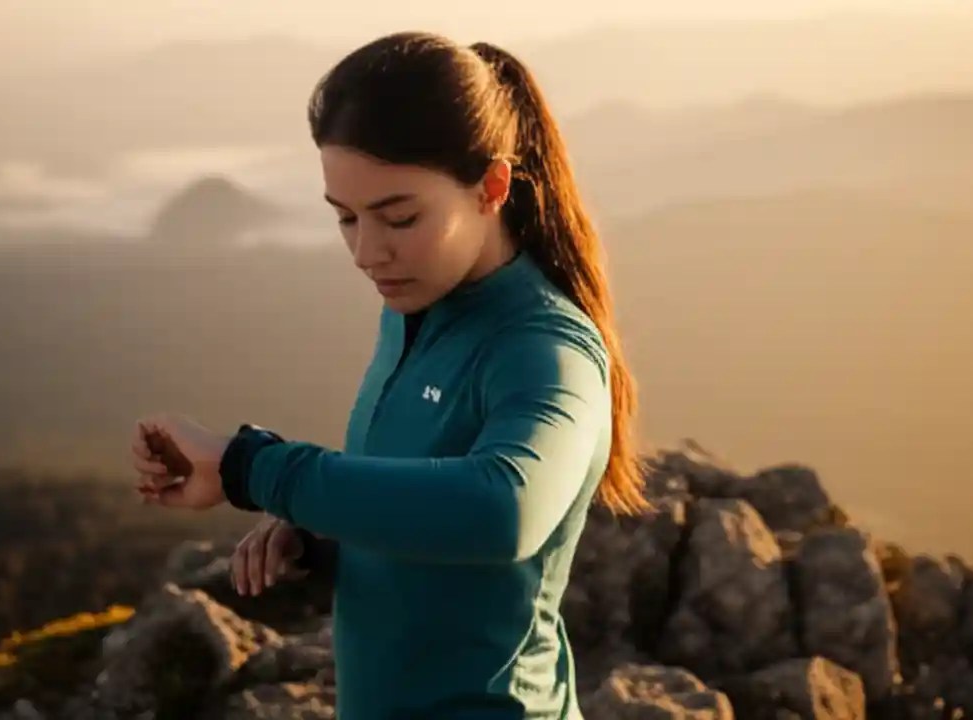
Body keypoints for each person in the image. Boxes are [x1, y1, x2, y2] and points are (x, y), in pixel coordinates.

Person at [130, 30, 648, 720]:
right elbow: (424, 496)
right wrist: (319, 533)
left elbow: (504, 511)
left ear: (492, 186)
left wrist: (253, 468)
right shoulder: (415, 310)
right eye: (345, 218)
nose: (367, 251)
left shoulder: (545, 347)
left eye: (399, 217)